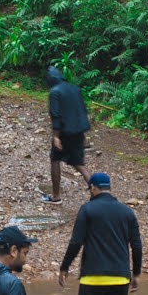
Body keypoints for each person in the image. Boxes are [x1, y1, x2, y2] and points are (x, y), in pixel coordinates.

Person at [57, 171, 143, 295]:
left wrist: (65, 267)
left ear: (93, 188)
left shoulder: (87, 209)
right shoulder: (127, 212)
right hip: (120, 278)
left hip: (93, 277)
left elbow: (76, 242)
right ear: (109, 188)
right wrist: (136, 273)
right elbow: (136, 245)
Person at [44, 66, 90, 203]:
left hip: (65, 132)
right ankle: (100, 194)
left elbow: (55, 115)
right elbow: (83, 110)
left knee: (55, 159)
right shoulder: (75, 89)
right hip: (78, 131)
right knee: (79, 163)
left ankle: (56, 196)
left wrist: (56, 136)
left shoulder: (54, 92)